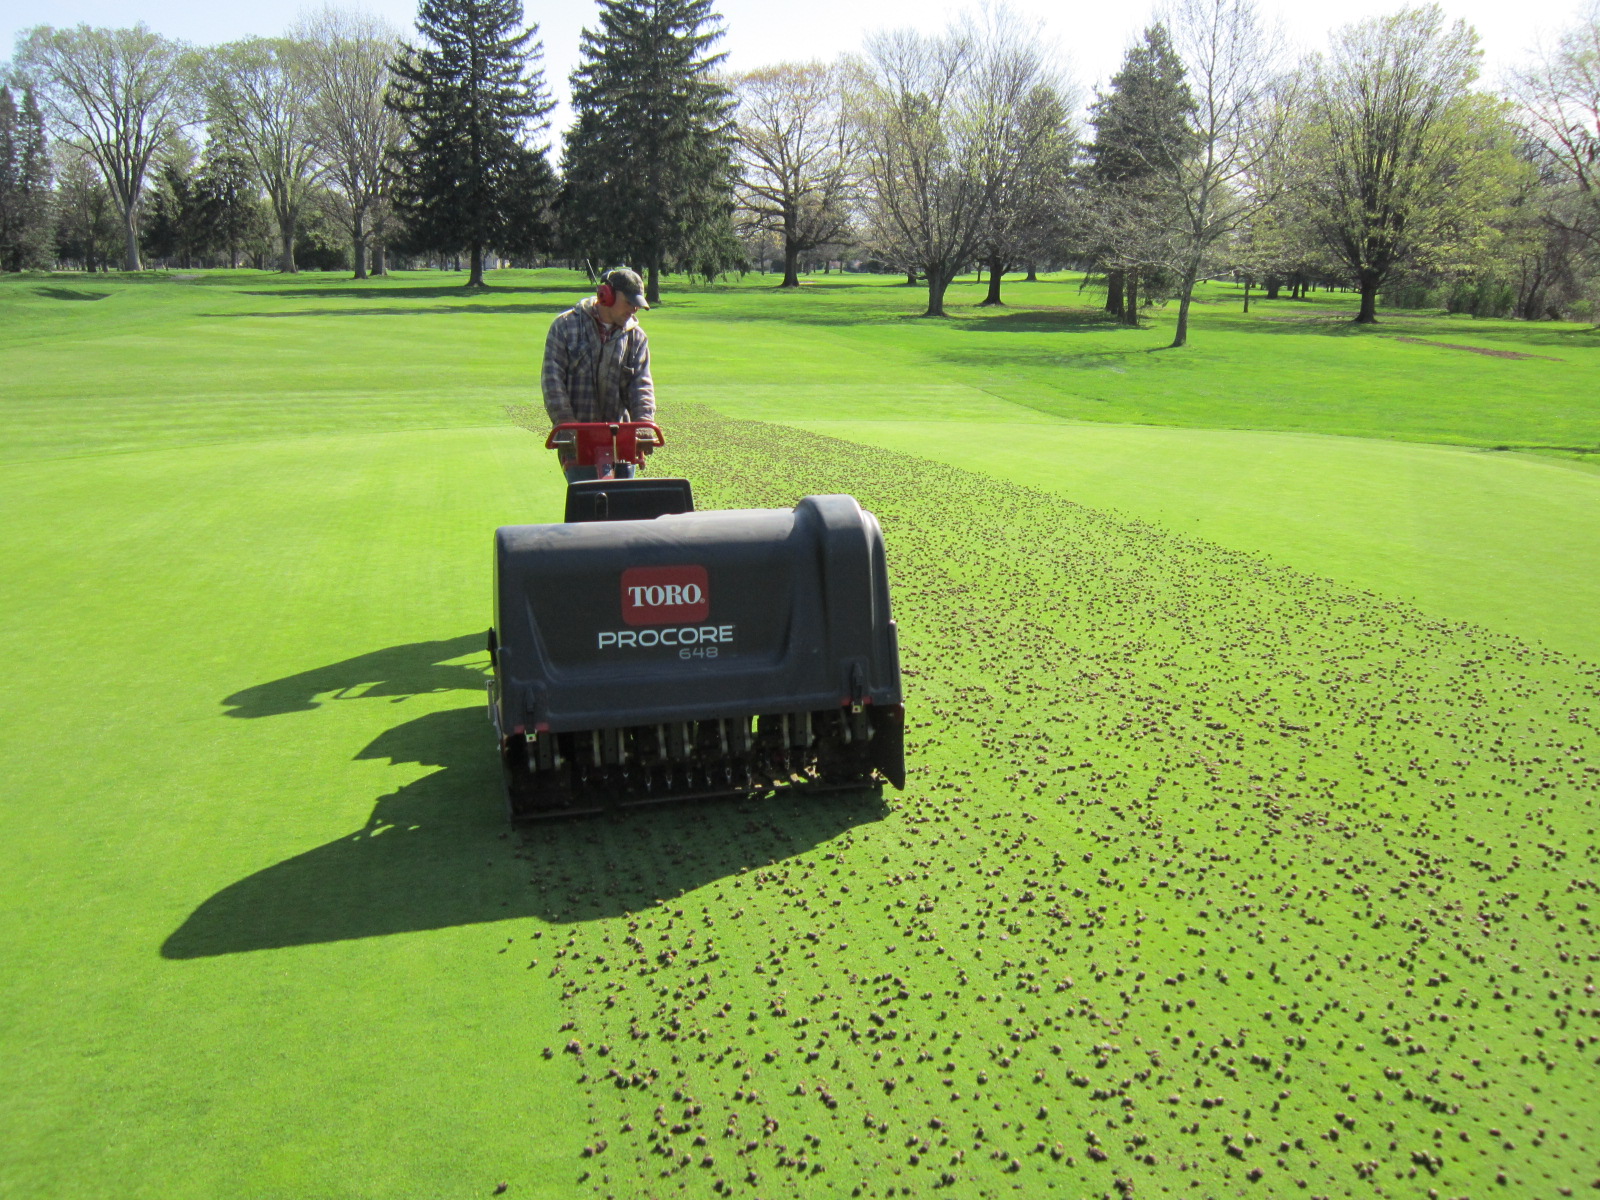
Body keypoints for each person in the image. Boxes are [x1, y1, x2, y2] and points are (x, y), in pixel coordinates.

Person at [541, 267, 656, 482]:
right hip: (578, 442)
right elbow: (552, 379)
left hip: (621, 442)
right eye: (629, 302)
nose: (634, 309)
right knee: (588, 504)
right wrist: (565, 421)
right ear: (606, 294)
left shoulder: (636, 338)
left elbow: (641, 385)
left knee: (623, 510)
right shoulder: (566, 327)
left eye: (637, 304)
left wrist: (643, 424)